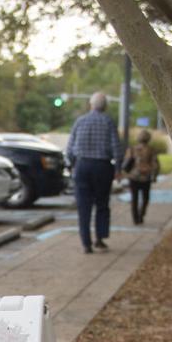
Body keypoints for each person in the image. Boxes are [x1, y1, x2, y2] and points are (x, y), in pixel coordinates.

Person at [65, 91, 123, 253]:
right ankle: (100, 238)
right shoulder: (108, 122)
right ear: (105, 106)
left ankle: (86, 243)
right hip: (102, 167)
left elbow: (69, 149)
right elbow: (116, 149)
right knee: (102, 204)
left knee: (83, 206)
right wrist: (118, 168)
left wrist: (71, 166)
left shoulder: (80, 121)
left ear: (91, 105)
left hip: (82, 166)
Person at [122, 129, 161, 225]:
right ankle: (141, 214)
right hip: (146, 177)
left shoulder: (132, 149)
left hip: (133, 177)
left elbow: (126, 163)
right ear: (148, 139)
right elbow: (155, 164)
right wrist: (155, 176)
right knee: (145, 198)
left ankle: (135, 219)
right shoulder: (151, 150)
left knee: (134, 198)